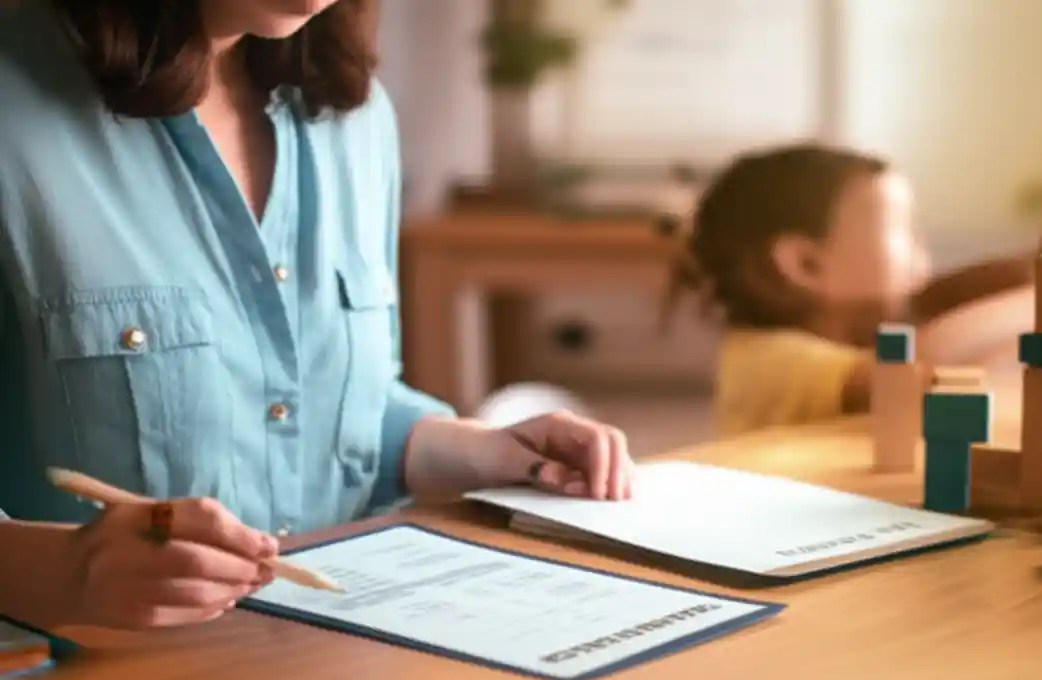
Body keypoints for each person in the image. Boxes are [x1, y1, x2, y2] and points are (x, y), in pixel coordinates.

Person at [0, 0, 634, 632]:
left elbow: (331, 418)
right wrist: (67, 571)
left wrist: (483, 452)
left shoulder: (355, 119)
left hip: (327, 666)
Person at [663, 144, 1042, 436]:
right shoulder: (764, 360)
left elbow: (948, 304)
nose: (922, 247)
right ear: (806, 264)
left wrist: (1034, 270)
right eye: (903, 230)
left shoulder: (851, 337)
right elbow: (919, 371)